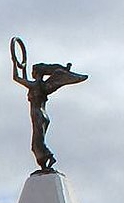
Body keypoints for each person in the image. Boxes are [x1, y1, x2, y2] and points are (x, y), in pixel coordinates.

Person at [11, 37, 87, 171]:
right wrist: (22, 65)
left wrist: (14, 62)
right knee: (37, 142)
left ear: (36, 73)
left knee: (36, 144)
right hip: (43, 115)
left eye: (33, 71)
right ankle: (45, 163)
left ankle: (49, 157)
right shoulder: (42, 85)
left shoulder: (35, 86)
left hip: (37, 114)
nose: (31, 73)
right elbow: (24, 78)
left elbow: (17, 78)